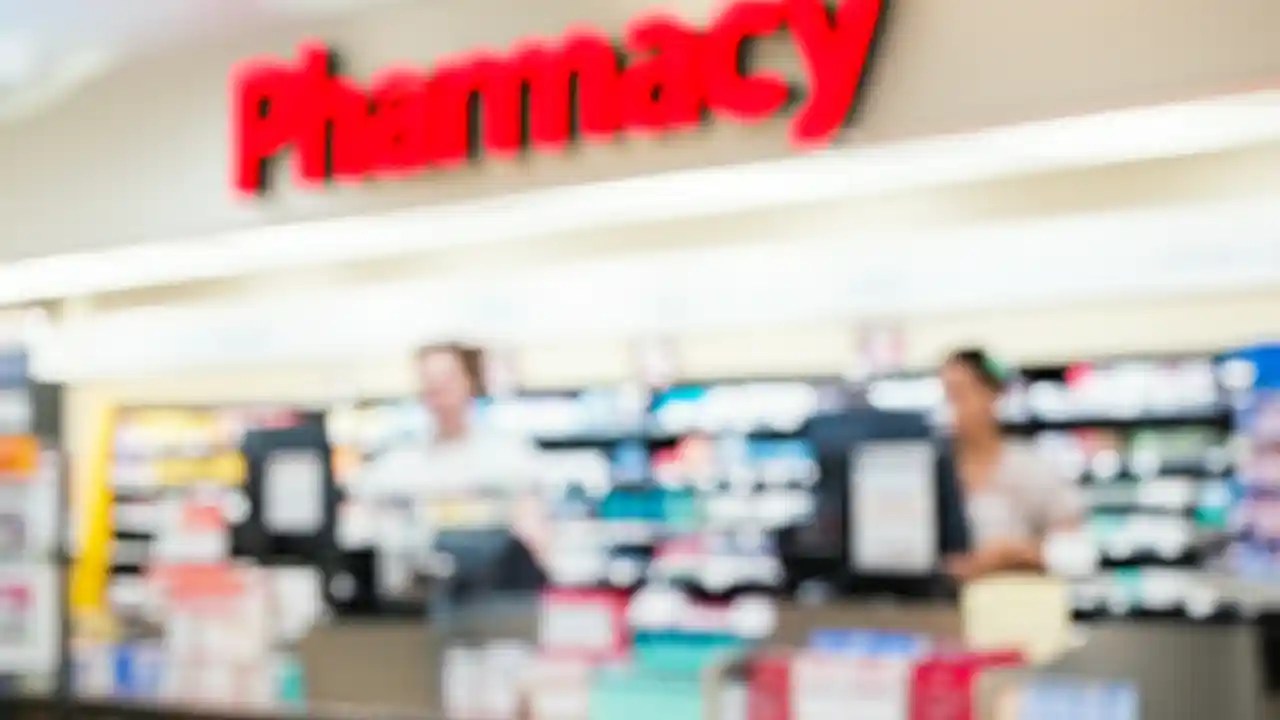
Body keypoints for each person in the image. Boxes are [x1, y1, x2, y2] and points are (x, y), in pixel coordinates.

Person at [352, 343, 550, 595]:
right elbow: (363, 521)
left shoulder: (510, 455)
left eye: (446, 378)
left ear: (471, 381)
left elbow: (534, 529)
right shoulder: (397, 462)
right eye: (428, 380)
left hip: (500, 598)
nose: (436, 389)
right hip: (420, 603)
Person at [939, 348, 1084, 581]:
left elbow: (1077, 553)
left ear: (992, 395)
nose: (951, 408)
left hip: (1013, 608)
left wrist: (1014, 554)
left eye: (960, 394)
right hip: (942, 612)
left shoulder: (1031, 468)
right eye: (946, 396)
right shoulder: (936, 469)